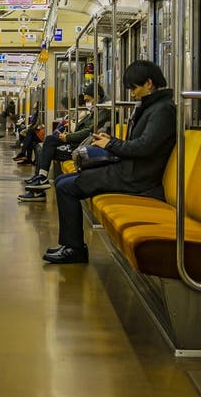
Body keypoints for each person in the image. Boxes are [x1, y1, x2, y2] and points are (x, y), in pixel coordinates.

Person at [43, 60, 176, 265]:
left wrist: (110, 144)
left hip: (137, 178)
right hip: (129, 170)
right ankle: (71, 245)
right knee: (62, 181)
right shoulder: (152, 108)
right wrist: (110, 142)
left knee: (66, 187)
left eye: (134, 88)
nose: (132, 94)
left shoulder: (162, 110)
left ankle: (74, 249)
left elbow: (143, 147)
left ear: (149, 83)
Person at [17, 83, 107, 202]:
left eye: (88, 100)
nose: (87, 103)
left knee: (47, 144)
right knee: (44, 147)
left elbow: (88, 132)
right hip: (77, 145)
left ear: (97, 97)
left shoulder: (102, 112)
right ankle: (40, 179)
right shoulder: (95, 112)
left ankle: (40, 183)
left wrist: (68, 137)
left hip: (82, 149)